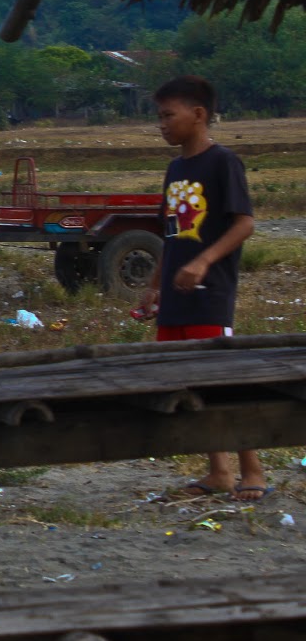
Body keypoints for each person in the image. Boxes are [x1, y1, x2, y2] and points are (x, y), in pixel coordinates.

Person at [136, 75, 264, 501]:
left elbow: (244, 223)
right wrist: (155, 285)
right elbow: (171, 234)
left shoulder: (222, 162)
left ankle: (253, 473)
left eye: (169, 115)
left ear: (199, 115)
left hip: (211, 292)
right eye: (159, 117)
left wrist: (205, 261)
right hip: (176, 295)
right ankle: (219, 473)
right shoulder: (175, 169)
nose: (162, 124)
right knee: (190, 380)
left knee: (222, 381)